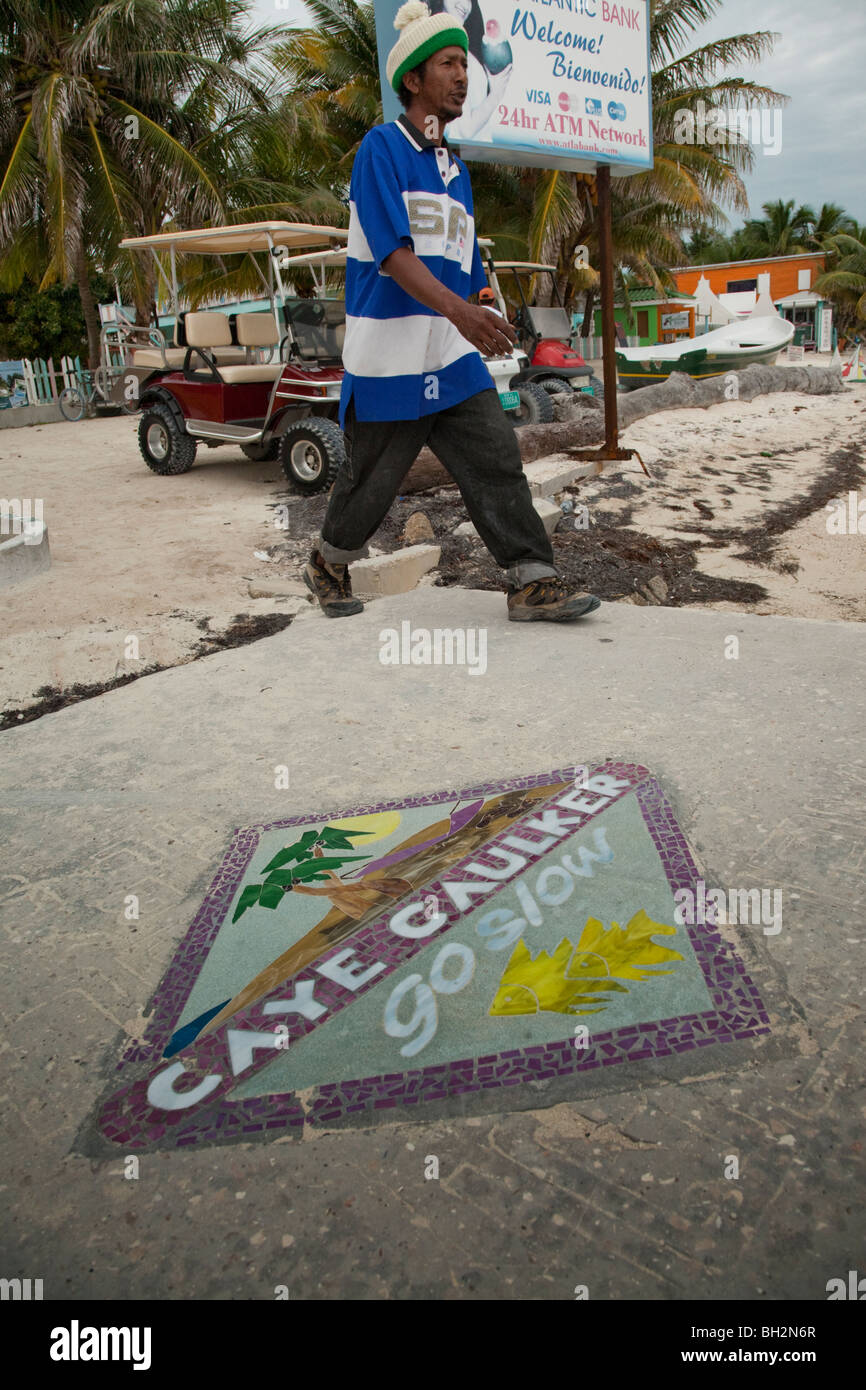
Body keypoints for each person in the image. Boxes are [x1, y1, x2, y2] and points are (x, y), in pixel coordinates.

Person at [304, 0, 600, 624]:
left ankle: (530, 581)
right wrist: (459, 312)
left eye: (464, 63)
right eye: (446, 64)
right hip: (389, 356)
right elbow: (392, 255)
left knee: (496, 458)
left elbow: (464, 271)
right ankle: (329, 562)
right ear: (412, 81)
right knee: (370, 483)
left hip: (451, 352)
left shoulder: (455, 170)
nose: (463, 76)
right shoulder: (380, 149)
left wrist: (485, 311)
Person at [428, 0, 512, 141]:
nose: (465, 5)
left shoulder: (463, 52)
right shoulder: (440, 49)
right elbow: (465, 130)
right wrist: (497, 93)